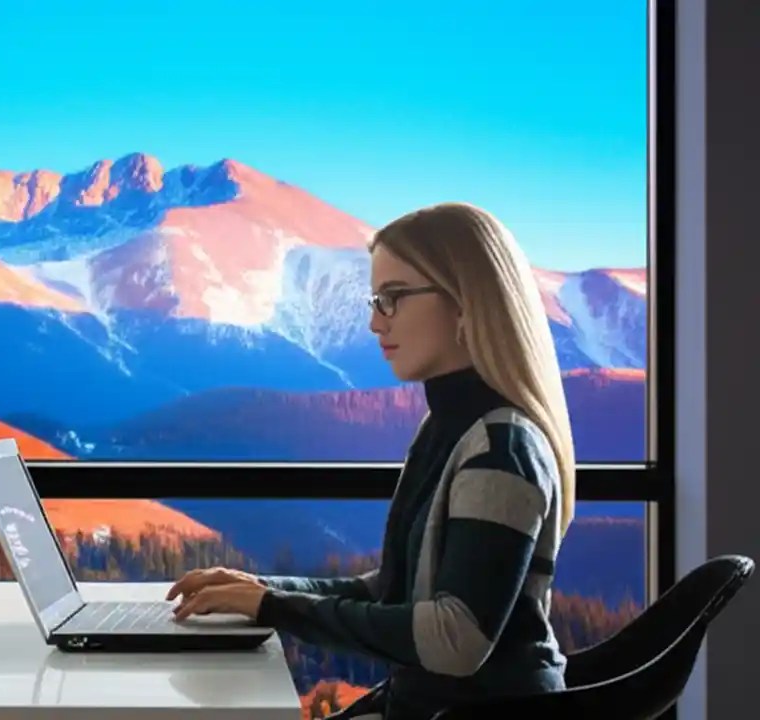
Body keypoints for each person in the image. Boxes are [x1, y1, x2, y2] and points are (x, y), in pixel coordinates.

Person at [165, 202, 576, 720]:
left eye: (393, 299)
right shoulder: (449, 428)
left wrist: (272, 607)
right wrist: (264, 590)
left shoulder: (503, 449)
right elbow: (396, 589)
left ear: (465, 301)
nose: (374, 322)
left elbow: (455, 639)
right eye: (375, 299)